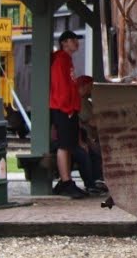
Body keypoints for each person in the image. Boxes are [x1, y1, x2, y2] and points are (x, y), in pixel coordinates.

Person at [50, 30, 87, 198]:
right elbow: (61, 86)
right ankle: (66, 182)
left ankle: (65, 180)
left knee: (69, 145)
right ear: (65, 42)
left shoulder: (67, 60)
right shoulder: (60, 60)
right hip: (64, 109)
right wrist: (68, 108)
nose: (76, 42)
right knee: (64, 146)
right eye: (73, 40)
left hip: (69, 108)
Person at [76, 76, 106, 195]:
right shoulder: (81, 102)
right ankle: (93, 182)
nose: (92, 89)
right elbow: (92, 122)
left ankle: (97, 181)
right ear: (83, 86)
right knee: (94, 152)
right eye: (90, 86)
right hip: (84, 136)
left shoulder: (86, 102)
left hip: (88, 136)